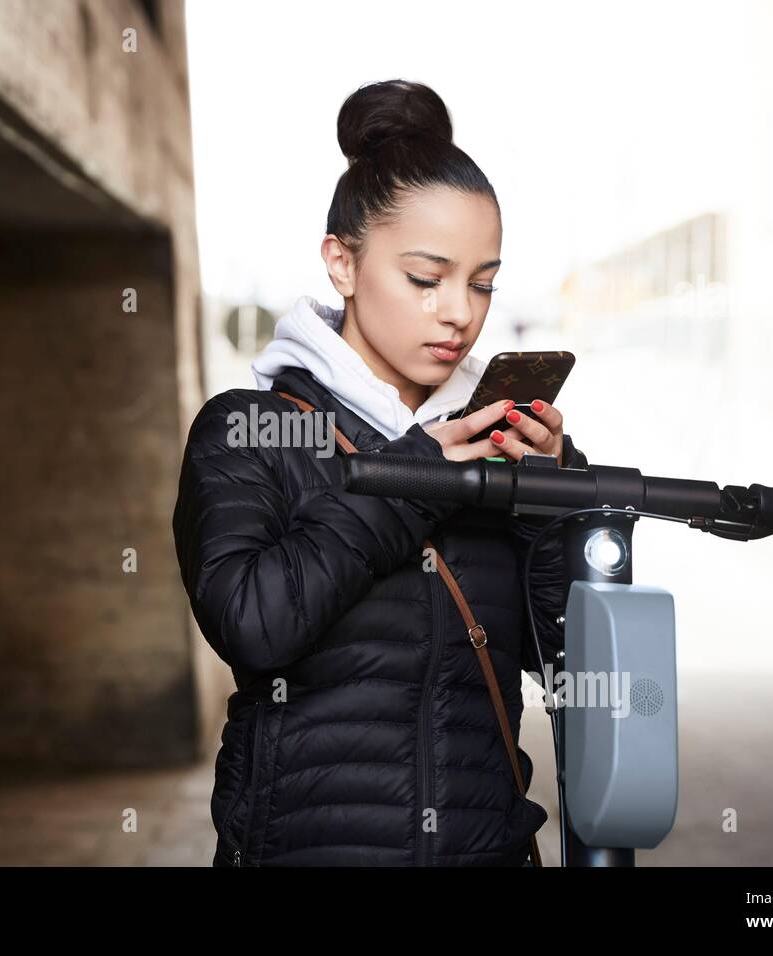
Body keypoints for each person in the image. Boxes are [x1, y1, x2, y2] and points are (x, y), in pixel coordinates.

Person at [172, 79, 589, 866]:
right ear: (341, 262)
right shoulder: (249, 429)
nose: (460, 313)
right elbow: (253, 624)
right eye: (427, 279)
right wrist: (411, 477)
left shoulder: (492, 439)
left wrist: (552, 498)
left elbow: (565, 659)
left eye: (482, 282)